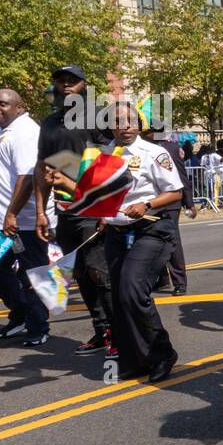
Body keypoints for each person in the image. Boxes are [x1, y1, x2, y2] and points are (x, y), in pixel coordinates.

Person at [48, 100, 184, 382]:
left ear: (139, 123)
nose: (125, 126)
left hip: (151, 229)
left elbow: (175, 193)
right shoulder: (102, 155)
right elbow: (92, 196)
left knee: (134, 291)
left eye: (130, 120)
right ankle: (136, 359)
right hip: (116, 233)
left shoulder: (154, 153)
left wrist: (146, 204)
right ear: (109, 125)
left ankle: (162, 353)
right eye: (118, 121)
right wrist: (62, 180)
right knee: (118, 298)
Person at [34, 64, 115, 355]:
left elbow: (110, 165)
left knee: (99, 272)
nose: (66, 84)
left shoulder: (98, 117)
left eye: (73, 80)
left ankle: (118, 333)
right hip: (65, 208)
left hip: (93, 207)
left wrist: (107, 208)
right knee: (81, 272)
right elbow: (42, 167)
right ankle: (102, 330)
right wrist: (42, 211)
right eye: (60, 80)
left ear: (84, 85)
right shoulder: (49, 123)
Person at [0, 88, 50, 345]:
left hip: (21, 223)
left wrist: (11, 214)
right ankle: (20, 314)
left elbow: (28, 176)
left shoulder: (25, 132)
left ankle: (38, 326)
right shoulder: (3, 132)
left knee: (31, 275)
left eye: (3, 104)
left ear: (19, 107)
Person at [141, 125, 195, 295]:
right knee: (151, 241)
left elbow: (180, 175)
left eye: (145, 131)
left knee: (172, 241)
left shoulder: (169, 149)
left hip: (168, 202)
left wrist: (189, 202)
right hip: (147, 202)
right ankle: (162, 278)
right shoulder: (141, 148)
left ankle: (179, 281)